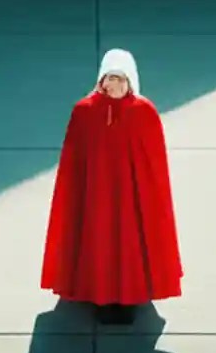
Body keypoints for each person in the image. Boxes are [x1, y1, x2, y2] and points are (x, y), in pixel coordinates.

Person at [40, 48, 183, 325]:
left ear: (130, 80)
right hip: (96, 195)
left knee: (129, 242)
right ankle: (99, 296)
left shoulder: (144, 112)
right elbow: (73, 161)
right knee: (98, 241)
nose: (114, 85)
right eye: (110, 78)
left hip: (131, 197)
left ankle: (129, 298)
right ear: (101, 80)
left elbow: (154, 166)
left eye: (120, 78)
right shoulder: (84, 112)